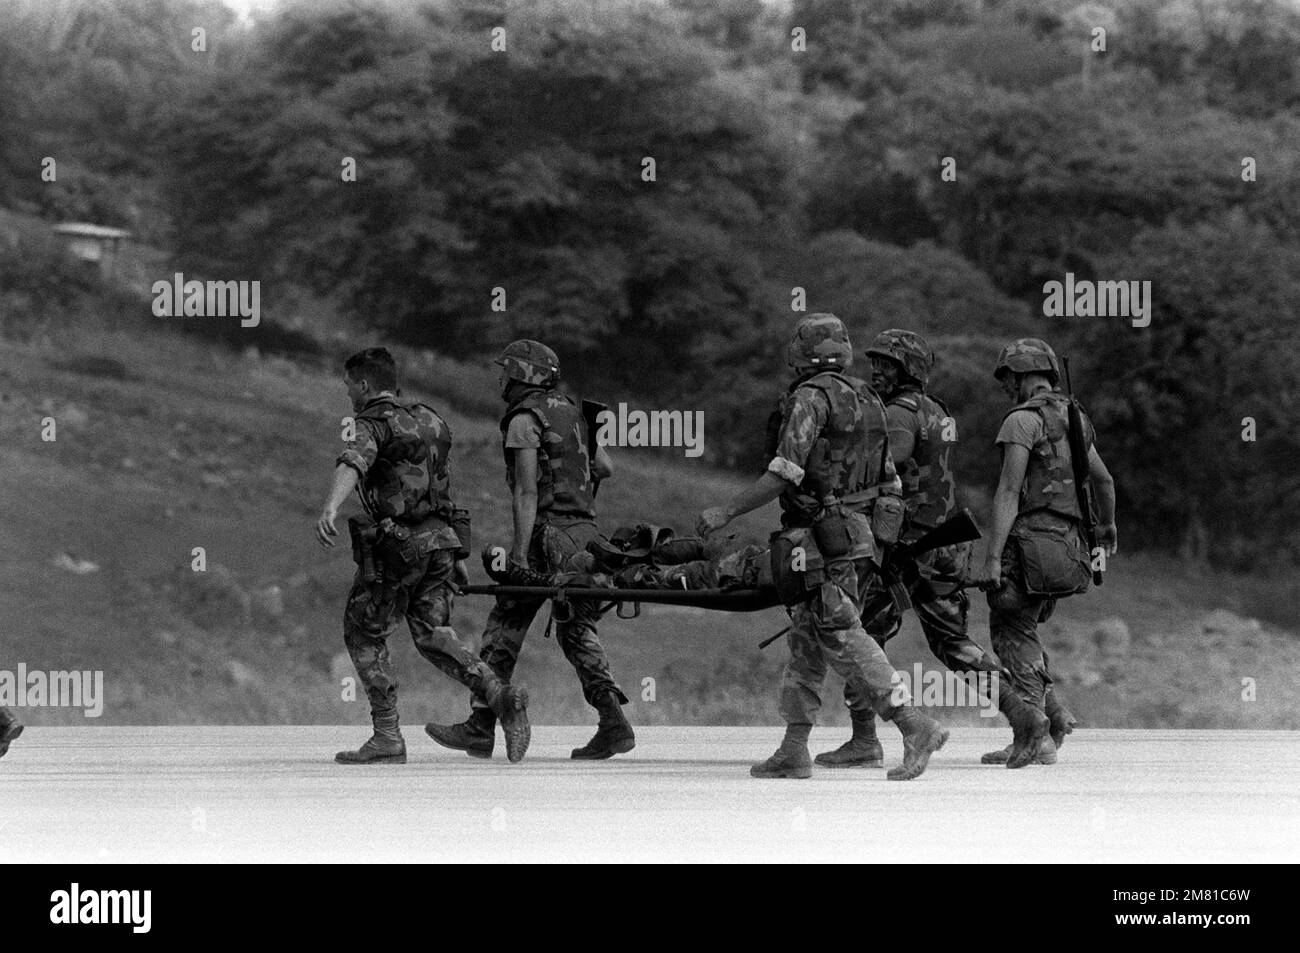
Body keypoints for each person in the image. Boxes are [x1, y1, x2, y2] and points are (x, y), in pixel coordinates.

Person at [695, 314, 948, 781]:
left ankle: (913, 724)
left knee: (842, 632)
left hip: (821, 537)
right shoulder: (870, 396)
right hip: (860, 536)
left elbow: (784, 473)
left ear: (801, 354)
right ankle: (794, 748)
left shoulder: (810, 399)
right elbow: (889, 479)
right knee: (808, 639)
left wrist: (726, 512)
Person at [818, 330, 1034, 767]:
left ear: (908, 370)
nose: (876, 370)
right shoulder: (938, 411)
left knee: (861, 634)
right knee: (953, 643)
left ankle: (865, 741)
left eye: (887, 365)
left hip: (908, 549)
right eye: (875, 362)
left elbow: (882, 469)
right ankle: (1023, 715)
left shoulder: (898, 413)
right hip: (944, 546)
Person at [316, 347, 530, 764]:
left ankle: (387, 735)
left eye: (348, 386)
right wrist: (458, 552)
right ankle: (499, 695)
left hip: (400, 548)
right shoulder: (431, 419)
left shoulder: (372, 423)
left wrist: (330, 507)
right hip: (440, 545)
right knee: (434, 635)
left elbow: (353, 463)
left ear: (363, 385)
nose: (348, 395)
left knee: (363, 633)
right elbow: (441, 487)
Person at [426, 340, 635, 760]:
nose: (501, 379)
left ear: (525, 375)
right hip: (584, 534)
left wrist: (520, 554)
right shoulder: (572, 411)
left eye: (507, 371)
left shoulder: (525, 418)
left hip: (547, 535)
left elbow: (525, 491)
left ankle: (481, 724)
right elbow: (606, 468)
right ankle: (612, 721)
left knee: (506, 621)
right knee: (575, 630)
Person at [973, 339, 1117, 768]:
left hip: (1030, 545)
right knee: (1026, 632)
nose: (1005, 388)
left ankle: (1036, 735)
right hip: (1070, 549)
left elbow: (1009, 491)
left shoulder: (1022, 421)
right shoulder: (1075, 419)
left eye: (1007, 379)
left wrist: (993, 557)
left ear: (1022, 376)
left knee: (1010, 629)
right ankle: (1055, 716)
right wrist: (1107, 528)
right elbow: (1104, 481)